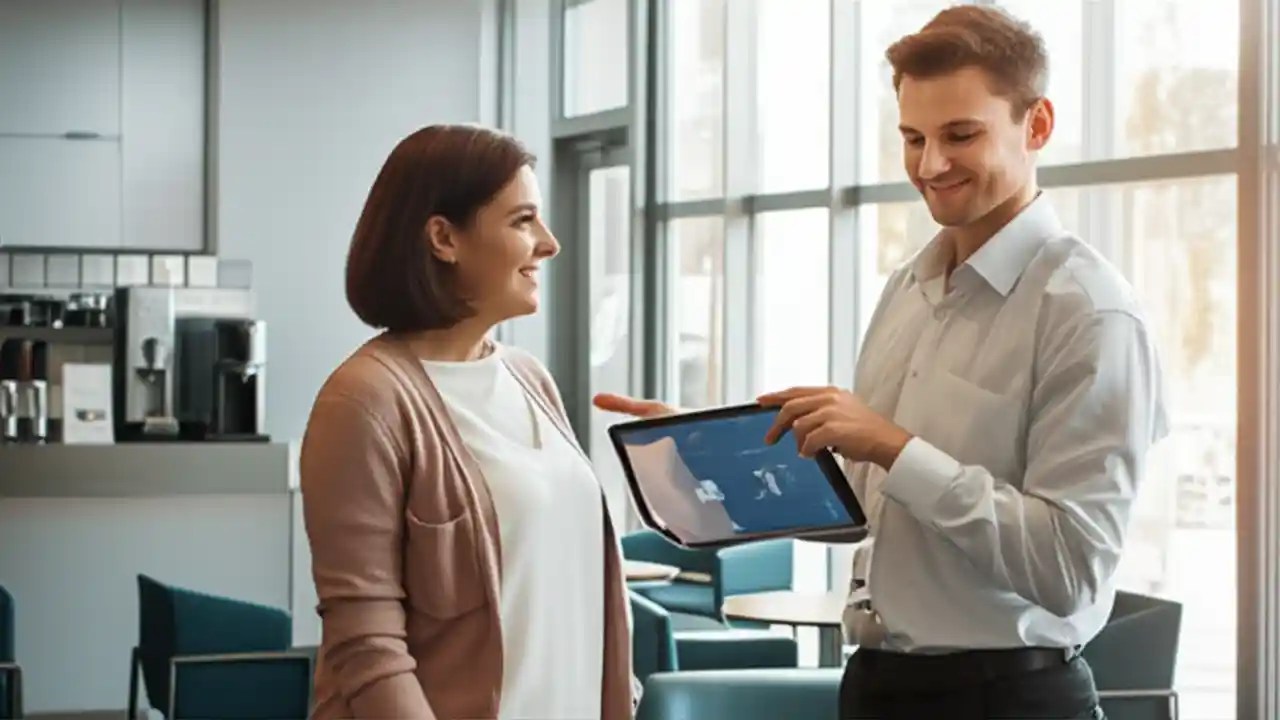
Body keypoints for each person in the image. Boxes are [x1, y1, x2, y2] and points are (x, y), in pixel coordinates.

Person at [596, 6, 1166, 719]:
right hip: (877, 686)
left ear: (1038, 125)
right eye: (913, 138)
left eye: (961, 135)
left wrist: (898, 449)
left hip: (1010, 700)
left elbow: (1072, 569)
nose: (930, 166)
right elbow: (866, 505)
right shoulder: (909, 287)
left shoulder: (1088, 312)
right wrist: (716, 448)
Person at [300, 124, 634, 720]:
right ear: (443, 238)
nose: (549, 243)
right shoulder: (364, 401)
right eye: (522, 220)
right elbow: (368, 646)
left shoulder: (531, 379)